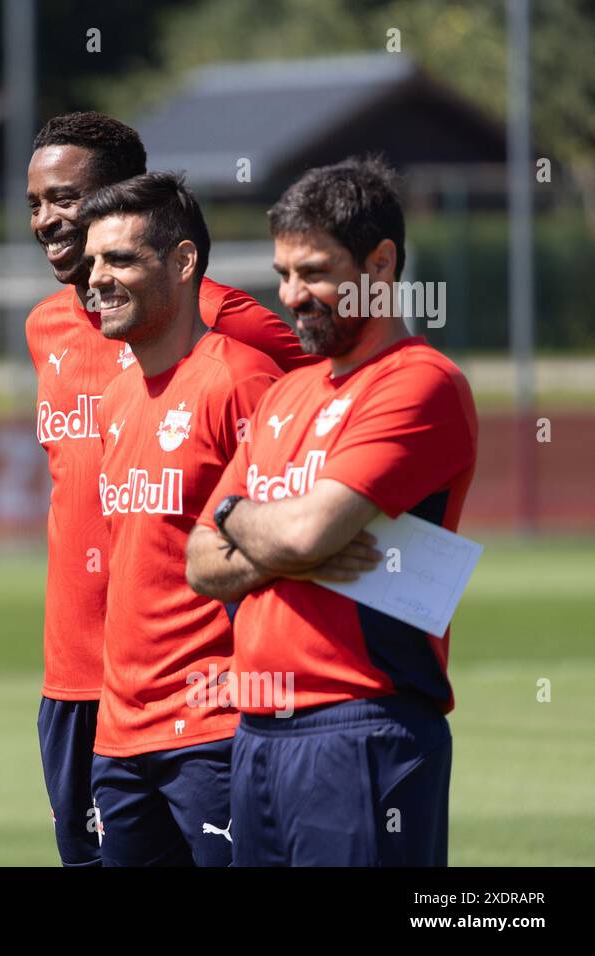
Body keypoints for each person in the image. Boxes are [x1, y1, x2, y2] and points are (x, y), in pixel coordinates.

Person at [24, 112, 316, 866]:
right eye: (36, 203)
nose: (52, 220)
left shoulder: (230, 331)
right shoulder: (47, 328)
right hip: (82, 677)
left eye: (68, 198)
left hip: (205, 689)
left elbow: (324, 420)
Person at [186, 156, 478, 866]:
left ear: (380, 265)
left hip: (361, 727)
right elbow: (198, 559)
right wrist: (265, 533)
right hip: (257, 734)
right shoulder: (287, 393)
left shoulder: (420, 383)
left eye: (314, 272)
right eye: (284, 274)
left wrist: (244, 521)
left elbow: (307, 530)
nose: (292, 295)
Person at [80, 172, 282, 866]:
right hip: (119, 734)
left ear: (184, 262)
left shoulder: (241, 381)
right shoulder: (113, 399)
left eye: (121, 260)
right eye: (94, 260)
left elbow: (284, 544)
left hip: (215, 729)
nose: (96, 278)